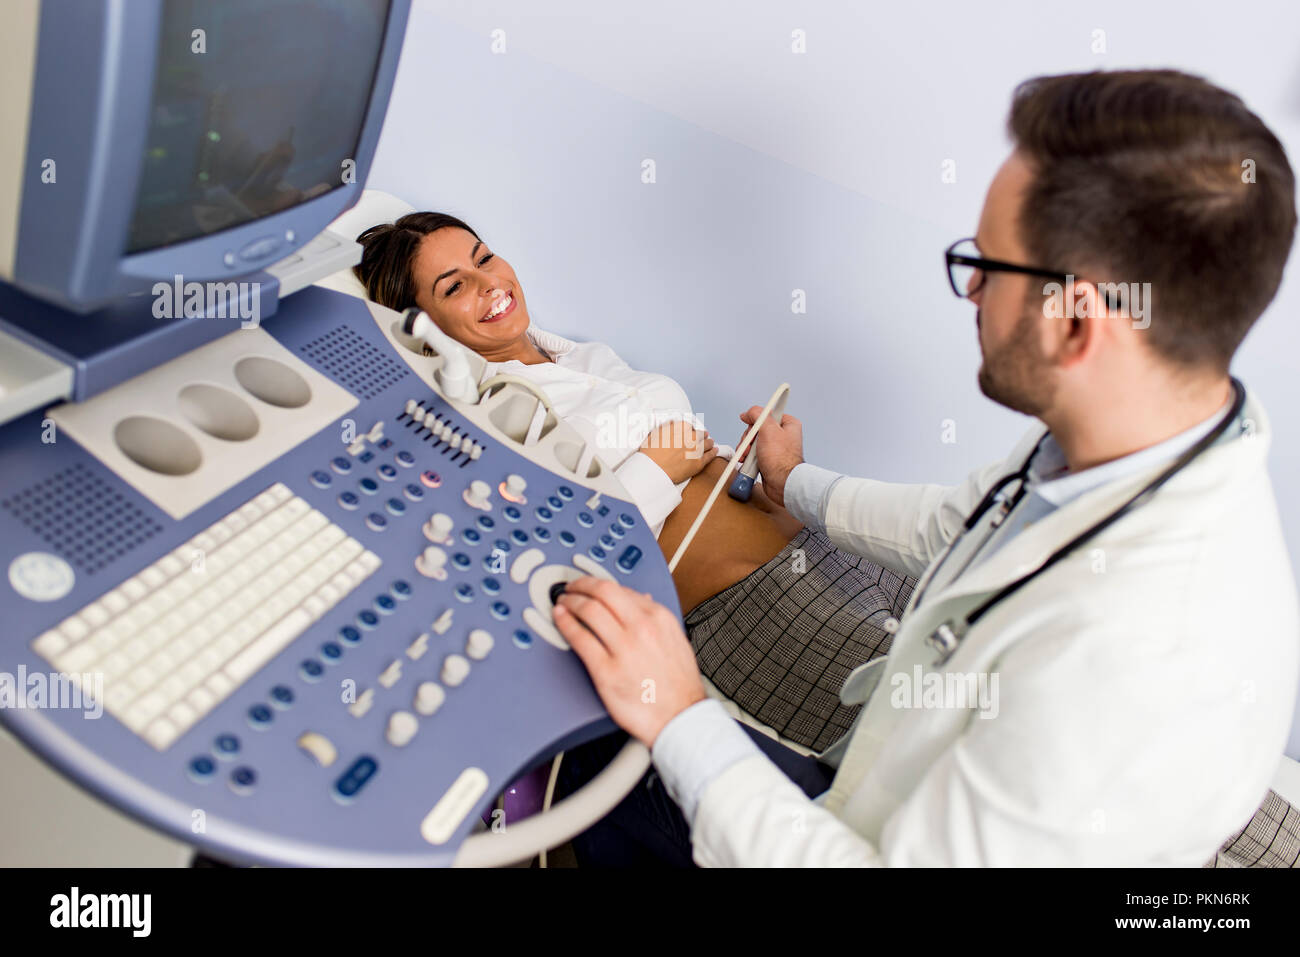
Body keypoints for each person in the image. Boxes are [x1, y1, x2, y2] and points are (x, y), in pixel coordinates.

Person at [542, 69, 1300, 866]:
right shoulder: (1138, 434)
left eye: (990, 266)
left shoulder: (1124, 658)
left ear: (1079, 322)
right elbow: (960, 520)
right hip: (873, 787)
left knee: (603, 752)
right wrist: (795, 482)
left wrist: (680, 712)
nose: (969, 288)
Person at [353, 215, 916, 754]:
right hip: (760, 607)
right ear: (424, 330)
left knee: (994, 652)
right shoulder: (483, 421)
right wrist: (657, 469)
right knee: (939, 734)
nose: (489, 283)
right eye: (455, 287)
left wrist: (777, 471)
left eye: (484, 258)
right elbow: (554, 561)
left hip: (831, 540)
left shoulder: (586, 356)